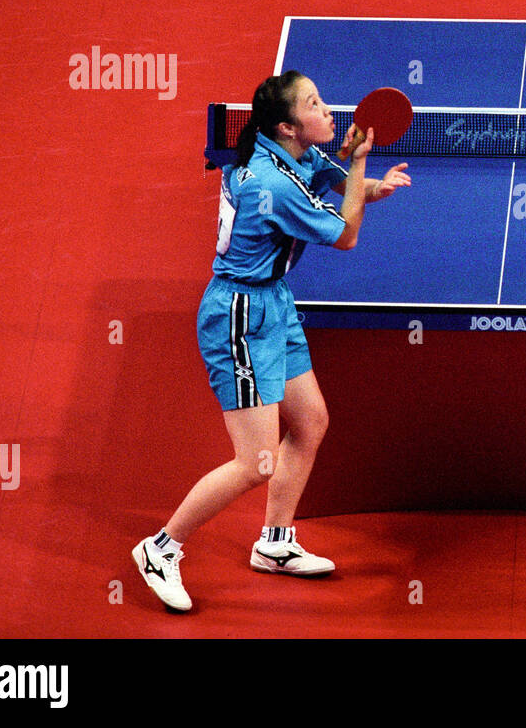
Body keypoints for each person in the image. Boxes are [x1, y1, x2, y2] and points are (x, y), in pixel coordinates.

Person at [133, 70, 412, 612]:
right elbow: (347, 235)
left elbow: (346, 194)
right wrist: (358, 164)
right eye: (314, 104)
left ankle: (275, 544)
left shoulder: (292, 154)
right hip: (239, 314)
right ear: (288, 125)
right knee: (255, 461)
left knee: (309, 422)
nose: (329, 109)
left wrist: (374, 183)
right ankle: (161, 548)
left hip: (273, 302)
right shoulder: (271, 184)